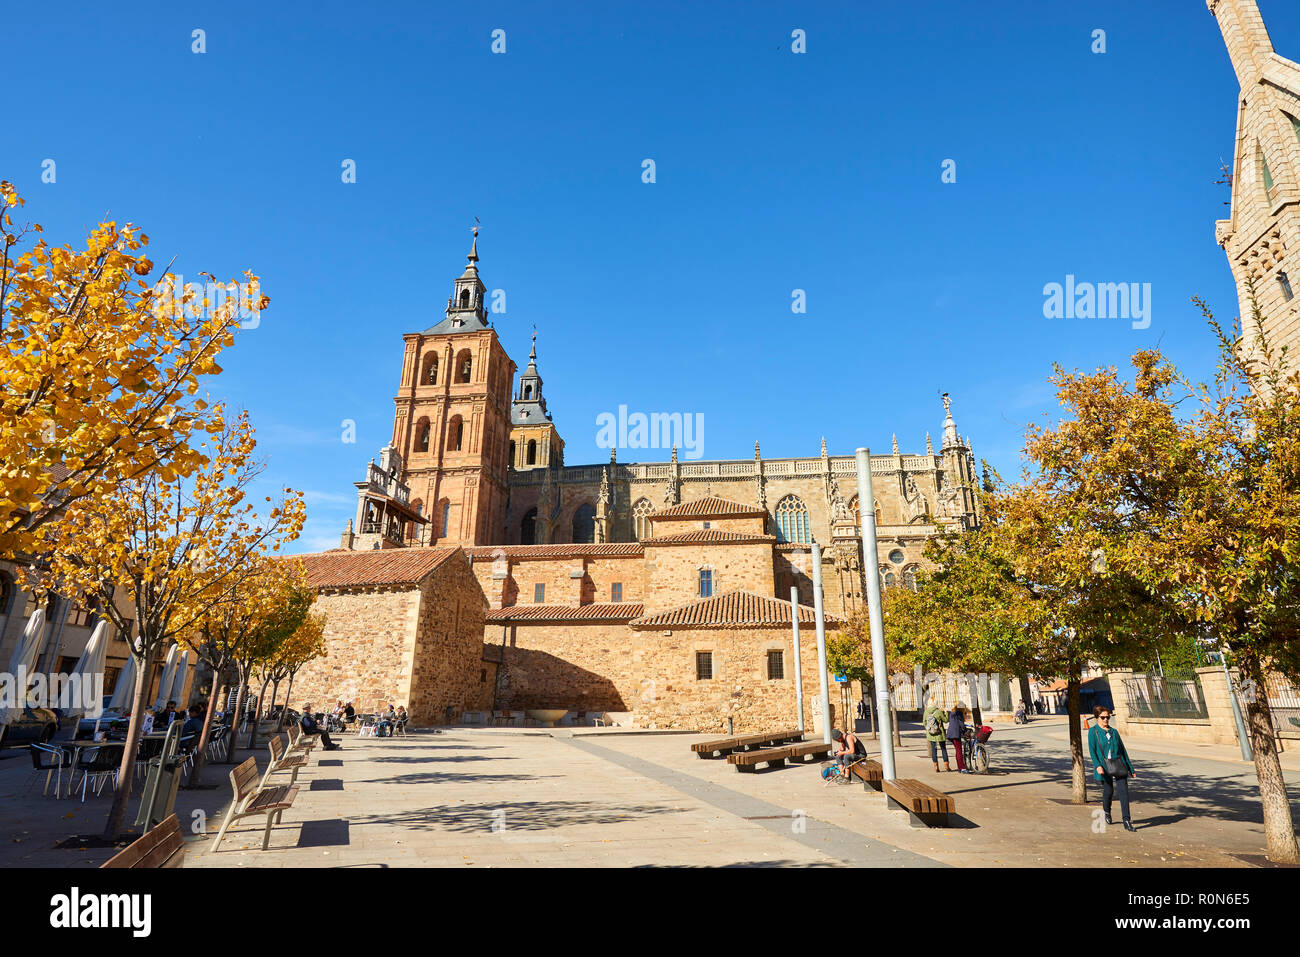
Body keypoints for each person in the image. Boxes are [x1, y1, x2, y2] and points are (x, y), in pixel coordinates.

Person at [1088, 706, 1136, 831]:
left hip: (1119, 765)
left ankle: (1126, 820)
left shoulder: (1114, 732)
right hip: (1104, 766)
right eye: (1103, 717)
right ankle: (1107, 812)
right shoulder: (1093, 732)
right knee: (1108, 791)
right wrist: (1097, 766)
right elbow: (1092, 751)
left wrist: (1131, 768)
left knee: (1123, 793)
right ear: (1097, 718)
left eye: (1108, 717)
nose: (1106, 720)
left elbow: (1123, 751)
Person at [923, 696, 950, 772]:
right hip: (940, 733)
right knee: (943, 749)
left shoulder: (926, 712)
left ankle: (936, 767)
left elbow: (924, 723)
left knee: (934, 750)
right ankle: (946, 766)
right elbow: (945, 720)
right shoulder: (938, 711)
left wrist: (929, 728)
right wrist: (946, 713)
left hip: (931, 734)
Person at [947, 702, 968, 773]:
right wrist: (965, 730)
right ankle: (962, 768)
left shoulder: (952, 713)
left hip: (950, 734)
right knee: (959, 751)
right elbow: (961, 724)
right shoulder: (959, 713)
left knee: (957, 750)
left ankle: (960, 767)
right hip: (955, 734)